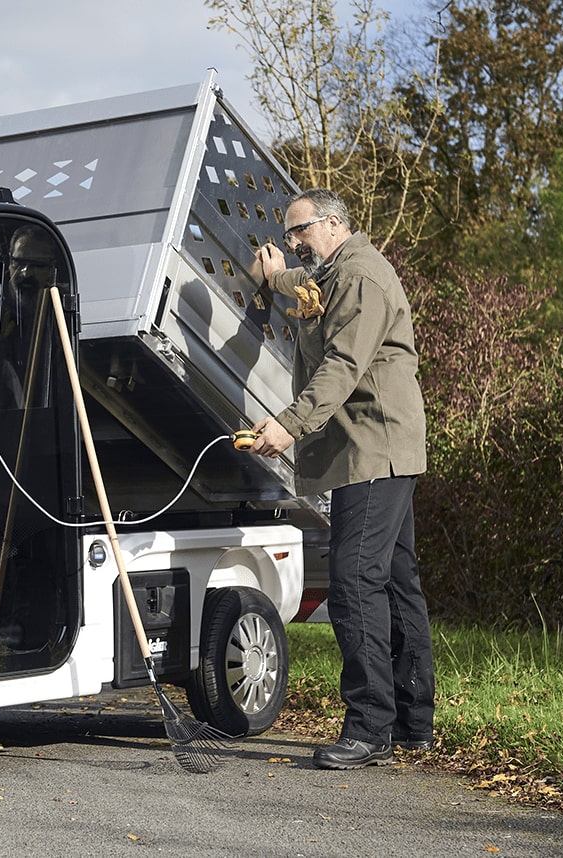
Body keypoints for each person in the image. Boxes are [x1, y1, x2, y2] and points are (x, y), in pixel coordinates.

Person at [248, 189, 435, 769]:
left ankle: (370, 728)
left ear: (332, 224)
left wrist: (289, 424)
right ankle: (409, 723)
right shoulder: (337, 273)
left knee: (354, 585)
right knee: (396, 585)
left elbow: (343, 365)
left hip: (373, 450)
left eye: (299, 230)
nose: (294, 240)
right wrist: (273, 280)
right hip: (379, 450)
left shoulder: (362, 278)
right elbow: (310, 296)